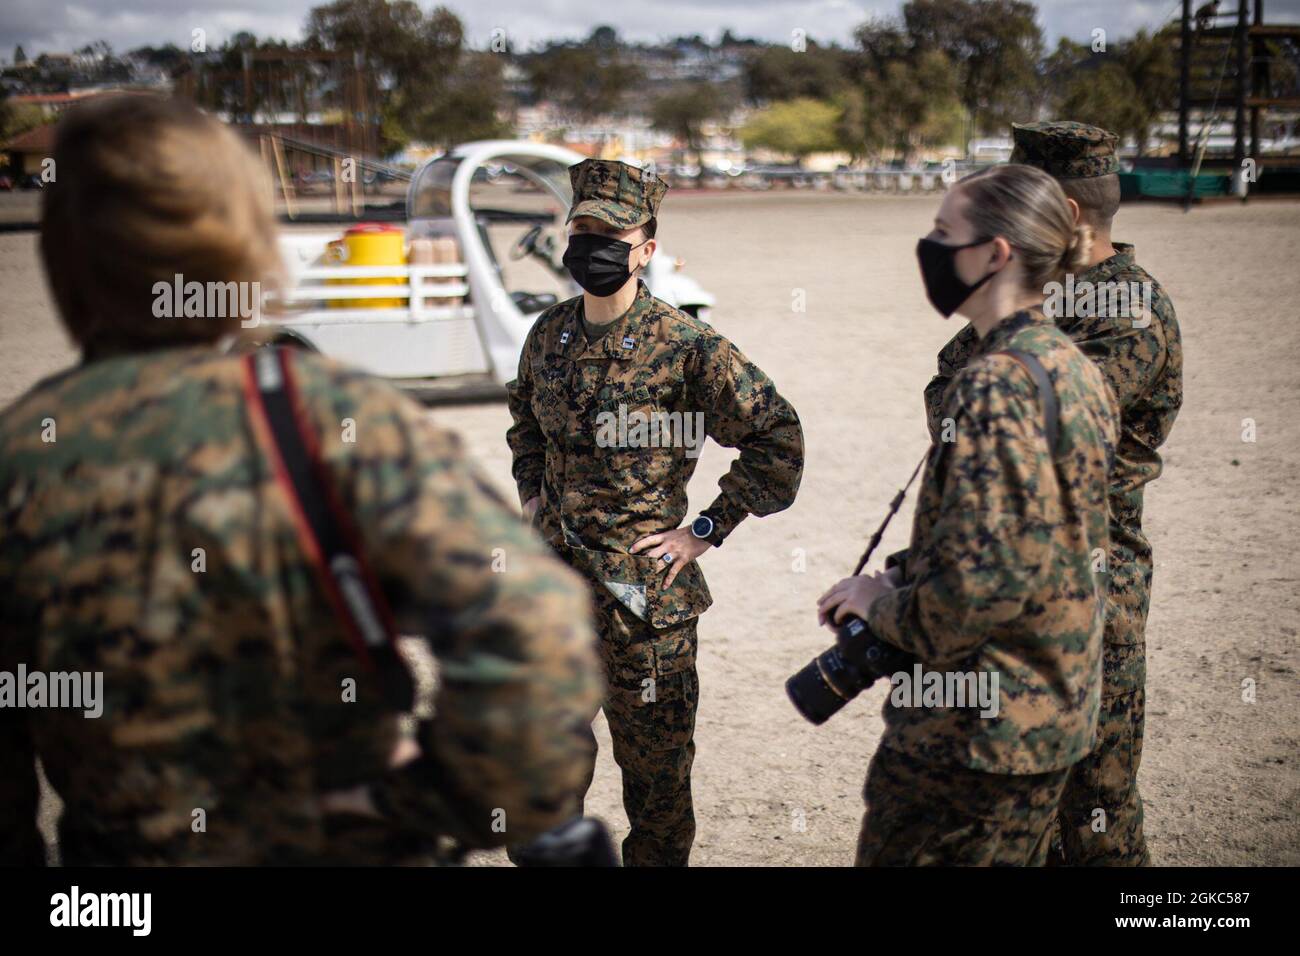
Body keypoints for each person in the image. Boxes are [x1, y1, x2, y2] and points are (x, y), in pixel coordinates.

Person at [0, 94, 602, 866]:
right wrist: (431, 800)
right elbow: (533, 623)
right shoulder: (329, 420)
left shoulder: (22, 458)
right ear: (242, 239)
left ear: (64, 257)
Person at [817, 163, 1119, 866]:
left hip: (973, 739)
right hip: (1044, 717)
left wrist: (877, 605)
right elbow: (1035, 543)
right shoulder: (1070, 366)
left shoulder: (994, 384)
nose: (928, 248)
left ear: (995, 253)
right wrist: (904, 574)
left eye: (943, 232)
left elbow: (977, 593)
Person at [506, 158, 804, 866]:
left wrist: (705, 529)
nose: (593, 246)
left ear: (646, 249)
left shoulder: (688, 348)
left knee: (658, 794)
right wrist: (532, 498)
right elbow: (525, 423)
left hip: (646, 609)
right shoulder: (548, 335)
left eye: (612, 233)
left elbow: (777, 439)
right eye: (582, 229)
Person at [922, 122, 1183, 866]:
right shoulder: (1028, 297)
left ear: (1065, 214)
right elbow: (946, 405)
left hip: (1088, 605)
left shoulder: (1127, 313)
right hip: (1000, 594)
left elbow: (1011, 430)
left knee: (1093, 816)